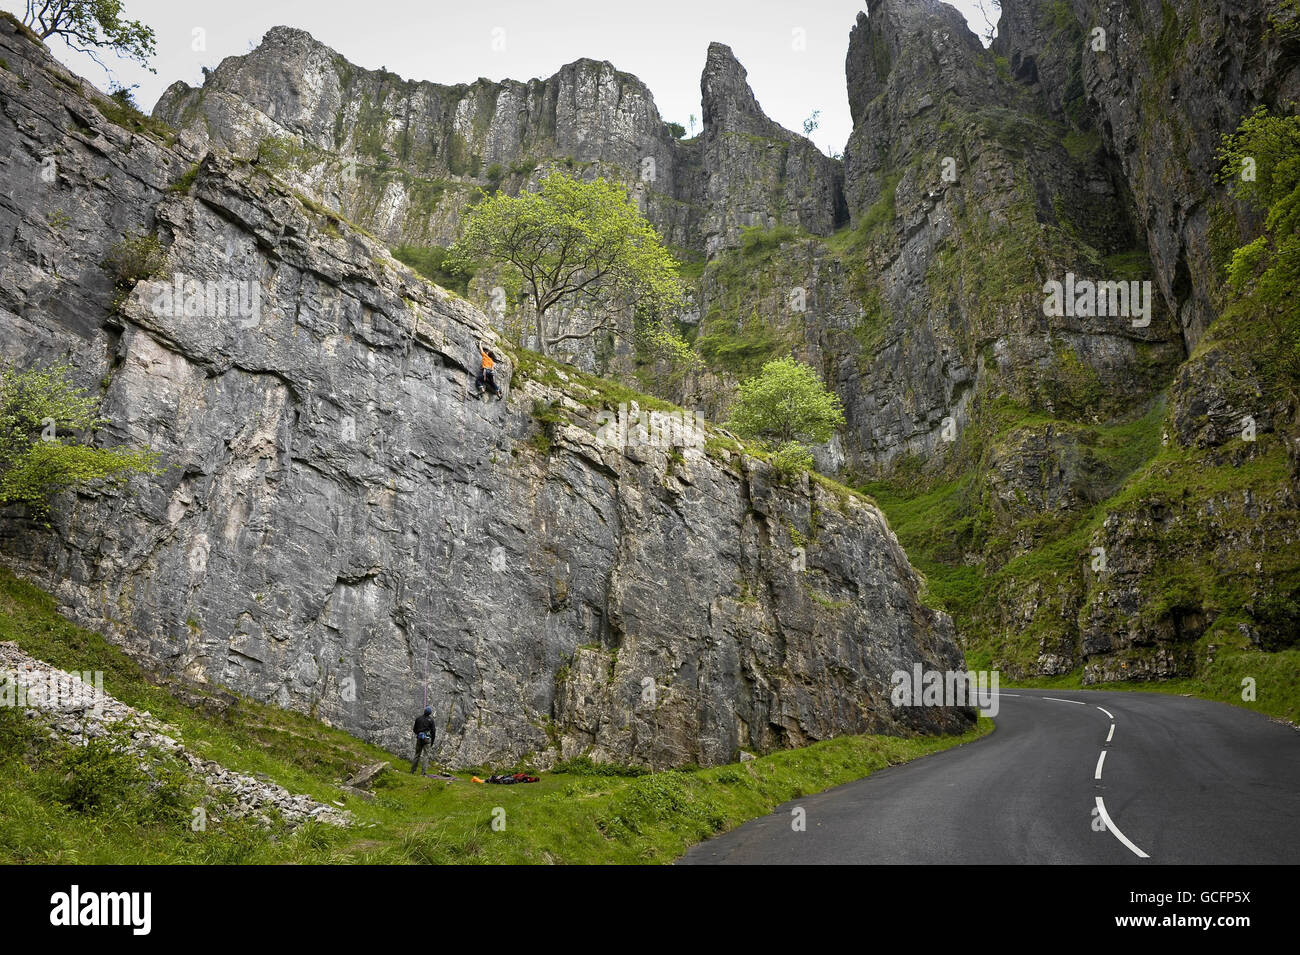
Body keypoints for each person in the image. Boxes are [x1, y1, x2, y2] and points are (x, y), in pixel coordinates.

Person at [411, 706, 436, 774]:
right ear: (430, 713)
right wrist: (432, 741)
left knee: (417, 754)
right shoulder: (431, 720)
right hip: (427, 739)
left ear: (424, 711)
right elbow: (433, 731)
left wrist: (418, 734)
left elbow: (414, 729)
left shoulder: (418, 718)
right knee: (426, 755)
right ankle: (423, 772)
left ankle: (412, 771)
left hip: (419, 737)